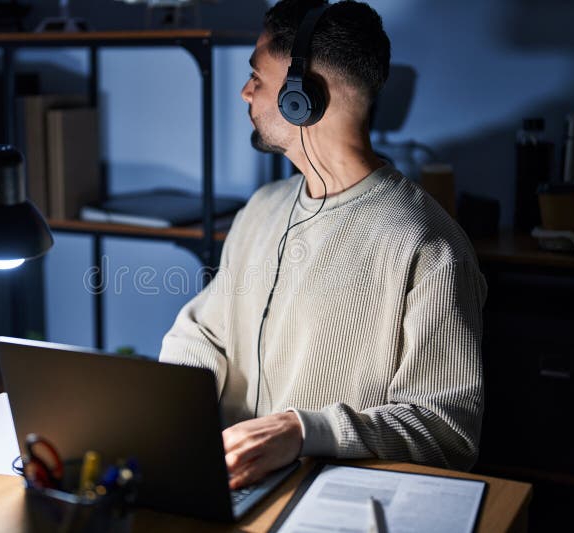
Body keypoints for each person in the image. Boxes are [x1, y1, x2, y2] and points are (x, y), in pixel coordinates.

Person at [159, 0, 487, 490]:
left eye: (258, 77)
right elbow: (201, 333)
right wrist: (179, 411)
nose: (245, 91)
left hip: (327, 492)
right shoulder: (261, 209)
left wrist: (301, 431)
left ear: (302, 95)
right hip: (223, 480)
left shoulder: (427, 243)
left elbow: (446, 434)